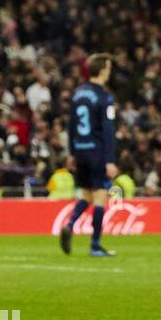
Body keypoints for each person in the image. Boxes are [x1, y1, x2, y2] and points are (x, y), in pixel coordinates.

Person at [60, 53, 118, 257]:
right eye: (109, 68)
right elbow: (108, 129)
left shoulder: (78, 94)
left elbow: (71, 125)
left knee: (86, 193)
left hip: (80, 149)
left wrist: (72, 153)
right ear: (102, 70)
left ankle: (70, 224)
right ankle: (95, 245)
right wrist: (110, 160)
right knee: (101, 195)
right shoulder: (104, 96)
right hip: (97, 151)